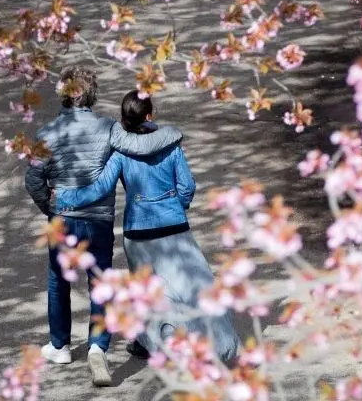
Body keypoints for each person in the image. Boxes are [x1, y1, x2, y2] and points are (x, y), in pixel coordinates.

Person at [54, 90, 240, 366]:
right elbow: (187, 186)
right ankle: (218, 344)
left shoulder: (120, 154)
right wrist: (177, 206)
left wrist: (64, 198)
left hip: (138, 234)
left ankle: (151, 343)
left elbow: (101, 188)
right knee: (192, 286)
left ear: (124, 120)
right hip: (174, 228)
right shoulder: (172, 147)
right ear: (150, 115)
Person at [24, 66, 184, 386]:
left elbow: (33, 179)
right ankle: (98, 348)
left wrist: (50, 207)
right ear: (92, 95)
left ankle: (60, 345)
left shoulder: (46, 133)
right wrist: (171, 134)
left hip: (63, 218)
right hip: (99, 221)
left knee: (59, 280)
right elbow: (139, 147)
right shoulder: (108, 128)